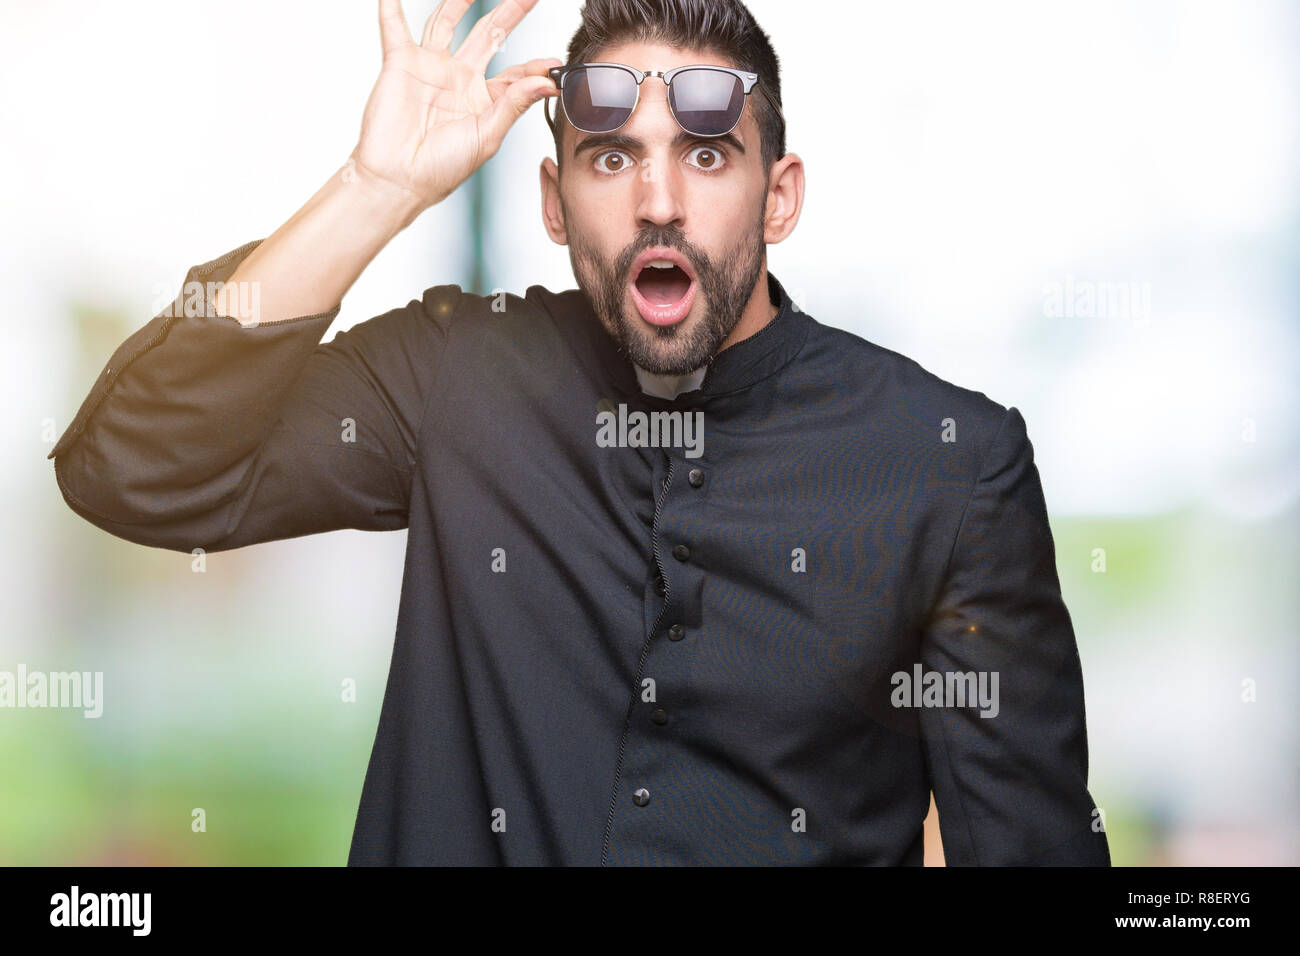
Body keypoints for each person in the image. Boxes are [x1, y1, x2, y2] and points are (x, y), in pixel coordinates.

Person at [48, 0, 1110, 866]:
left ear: (778, 198)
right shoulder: (455, 374)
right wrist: (374, 191)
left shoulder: (949, 463)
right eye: (610, 159)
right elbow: (130, 465)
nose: (658, 201)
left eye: (706, 156)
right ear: (554, 203)